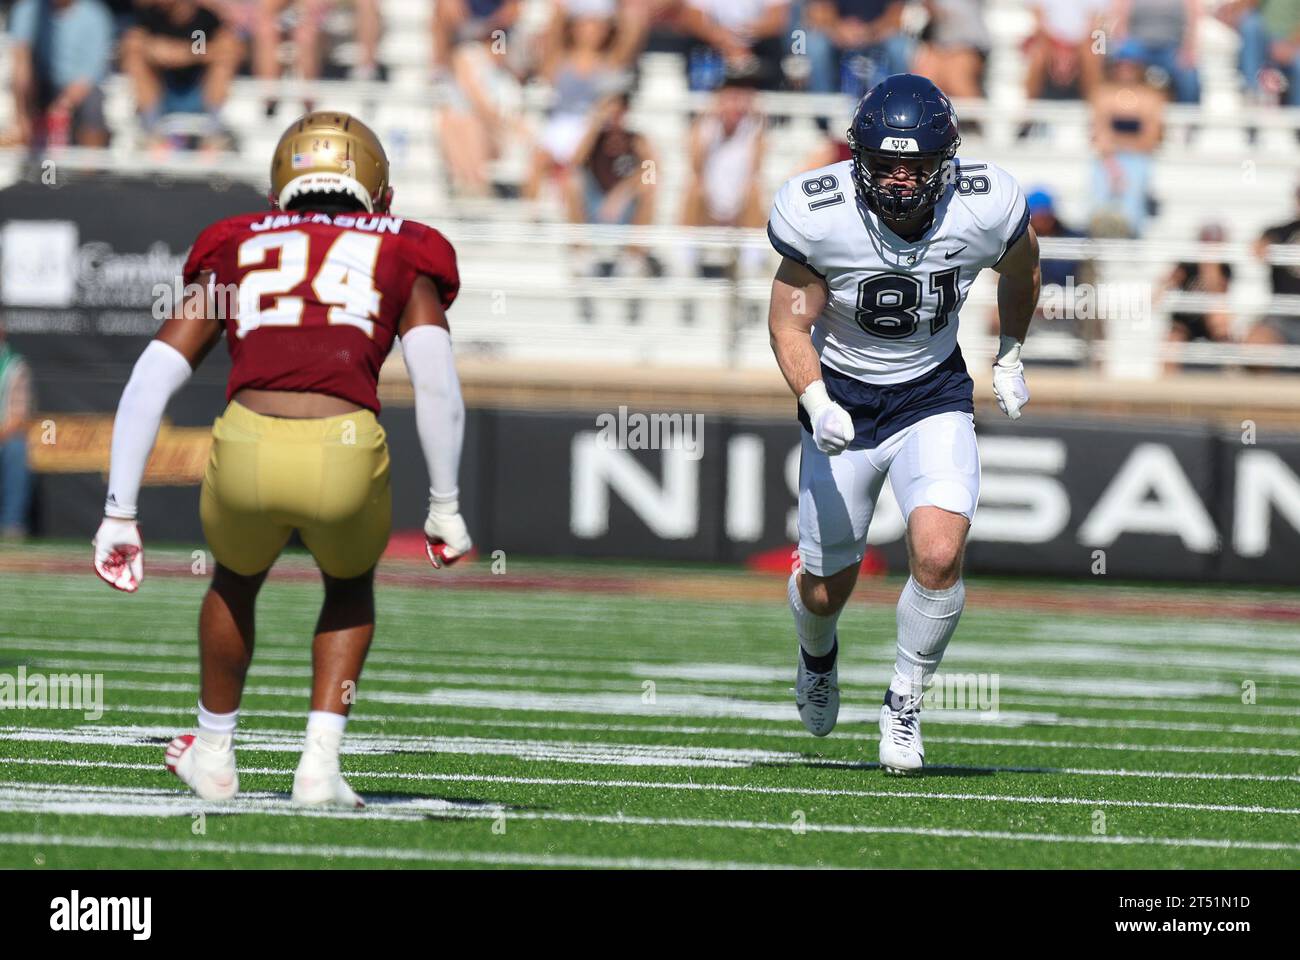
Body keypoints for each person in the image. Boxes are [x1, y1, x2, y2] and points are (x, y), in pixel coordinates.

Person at [92, 112, 474, 807]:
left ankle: (213, 754)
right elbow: (437, 383)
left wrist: (120, 510)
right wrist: (444, 504)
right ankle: (317, 768)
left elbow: (153, 376)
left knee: (235, 580)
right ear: (378, 194)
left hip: (247, 447)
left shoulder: (237, 242)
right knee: (350, 583)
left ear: (280, 190)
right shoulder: (407, 248)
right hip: (345, 452)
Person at [766, 74, 1039, 772]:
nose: (896, 179)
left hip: (932, 391)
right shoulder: (817, 210)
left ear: (943, 161)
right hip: (846, 398)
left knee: (941, 554)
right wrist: (817, 398)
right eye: (883, 164)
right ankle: (817, 656)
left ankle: (905, 702)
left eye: (913, 165)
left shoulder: (985, 205)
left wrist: (1009, 353)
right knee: (828, 586)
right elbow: (787, 319)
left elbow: (1022, 267)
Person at [120, 0, 244, 146]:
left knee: (224, 62)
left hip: (198, 90)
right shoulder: (151, 16)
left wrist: (183, 54)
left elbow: (230, 47)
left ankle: (213, 132)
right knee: (135, 59)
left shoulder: (205, 18)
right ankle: (151, 131)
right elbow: (131, 43)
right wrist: (153, 50)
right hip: (163, 90)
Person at [4, 0, 113, 147]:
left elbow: (91, 73)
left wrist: (63, 104)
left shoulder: (96, 15)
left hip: (82, 90)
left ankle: (90, 167)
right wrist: (22, 113)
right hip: (41, 84)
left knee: (92, 108)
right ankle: (32, 163)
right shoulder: (28, 9)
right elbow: (21, 62)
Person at [1090, 40, 1164, 236]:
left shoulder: (1151, 97)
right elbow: (1099, 136)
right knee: (1099, 172)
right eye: (1122, 65)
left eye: (1130, 65)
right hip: (1109, 157)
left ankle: (1129, 225)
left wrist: (1117, 142)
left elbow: (1150, 140)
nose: (1126, 70)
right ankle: (1097, 221)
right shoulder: (1103, 94)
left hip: (1137, 158)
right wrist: (1116, 153)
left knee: (1135, 174)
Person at [1163, 223, 1234, 372]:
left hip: (1210, 322)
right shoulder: (1186, 264)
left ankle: (1229, 372)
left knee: (1220, 317)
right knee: (1173, 339)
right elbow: (1164, 286)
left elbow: (1217, 291)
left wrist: (1209, 264)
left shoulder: (1225, 267)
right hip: (1186, 321)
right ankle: (1167, 384)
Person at [803, 1, 912, 97]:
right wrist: (839, 30)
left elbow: (896, 14)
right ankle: (824, 108)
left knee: (900, 47)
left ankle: (897, 104)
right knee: (815, 45)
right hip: (837, 35)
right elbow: (817, 10)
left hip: (877, 35)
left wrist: (869, 32)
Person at [1110, 0, 1201, 104]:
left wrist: (1189, 48)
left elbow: (1194, 20)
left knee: (1189, 78)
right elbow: (1120, 25)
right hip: (1138, 46)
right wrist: (1123, 47)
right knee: (1124, 62)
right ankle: (1123, 111)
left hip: (1172, 48)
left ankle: (1186, 118)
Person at [1246, 187, 1300, 349]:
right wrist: (1264, 243)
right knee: (1256, 342)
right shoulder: (1280, 232)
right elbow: (1258, 247)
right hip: (1282, 317)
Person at [0, 321, 34, 540]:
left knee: (17, 448)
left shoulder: (14, 365)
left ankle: (11, 525)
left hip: (4, 436)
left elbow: (19, 417)